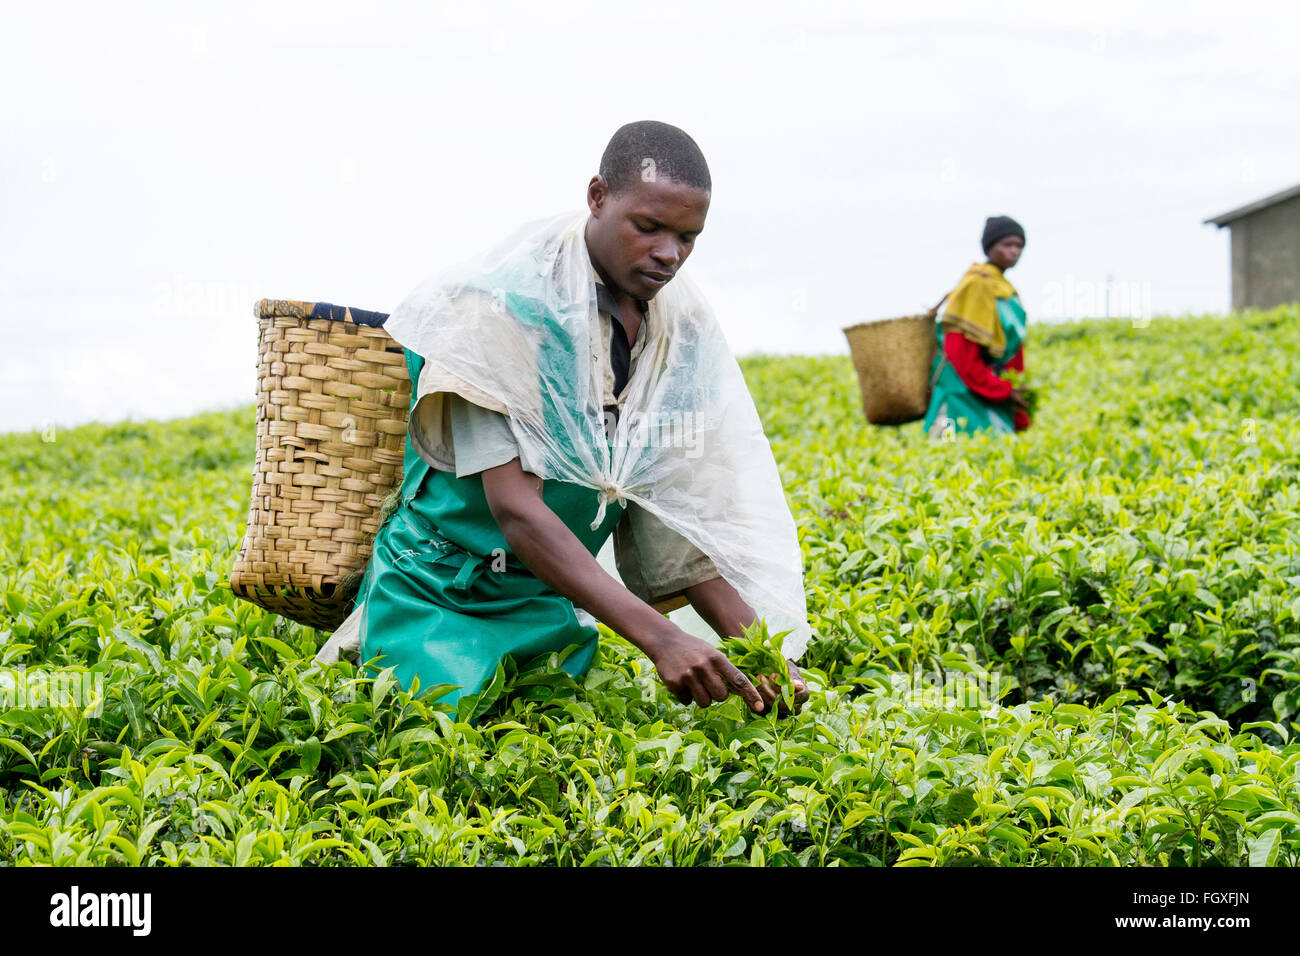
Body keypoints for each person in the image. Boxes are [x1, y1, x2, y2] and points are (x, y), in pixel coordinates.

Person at [320, 121, 810, 718]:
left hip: (552, 608)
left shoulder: (674, 330)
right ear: (598, 197)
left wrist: (761, 655)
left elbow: (674, 522)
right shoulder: (501, 311)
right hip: (439, 598)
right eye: (648, 227)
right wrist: (659, 638)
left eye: (687, 237)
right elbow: (517, 513)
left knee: (559, 748)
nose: (668, 254)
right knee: (435, 741)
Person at [923, 216, 1031, 438]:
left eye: (1019, 246)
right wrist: (1001, 390)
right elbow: (959, 349)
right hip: (959, 391)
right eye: (1007, 245)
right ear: (990, 247)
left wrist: (1011, 392)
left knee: (988, 460)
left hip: (986, 389)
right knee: (948, 452)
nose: (1014, 251)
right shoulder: (977, 284)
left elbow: (1012, 349)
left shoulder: (1003, 288)